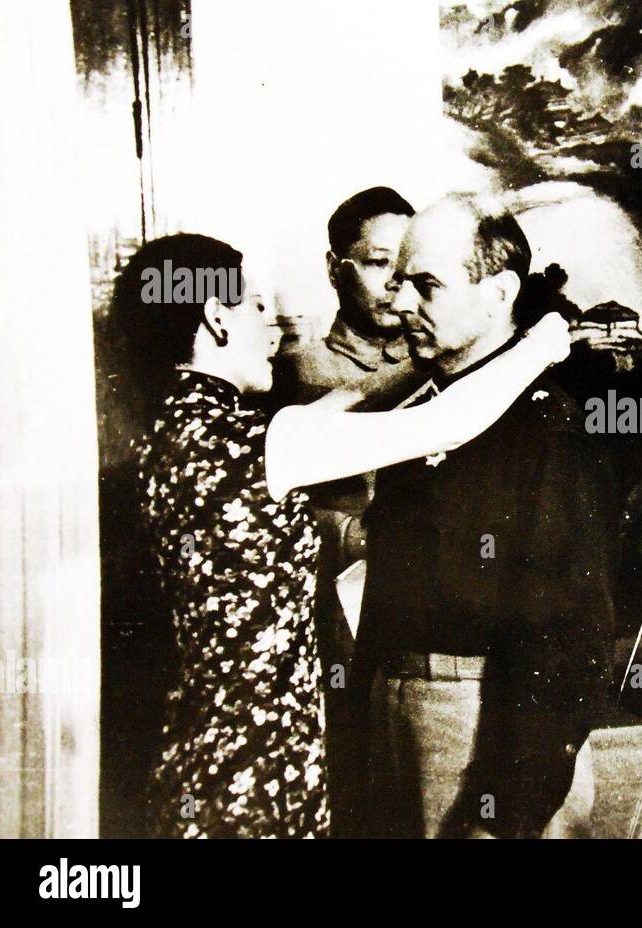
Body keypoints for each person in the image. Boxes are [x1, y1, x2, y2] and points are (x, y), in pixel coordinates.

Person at [115, 232, 570, 837]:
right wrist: (541, 340)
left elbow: (351, 399)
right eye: (254, 306)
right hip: (255, 766)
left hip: (201, 752)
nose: (272, 326)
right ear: (214, 318)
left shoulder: (178, 432)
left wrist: (436, 349)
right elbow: (446, 424)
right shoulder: (258, 444)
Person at [352, 196, 616, 839]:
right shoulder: (418, 413)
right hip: (399, 722)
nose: (402, 305)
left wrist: (503, 811)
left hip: (483, 737)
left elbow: (566, 638)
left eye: (427, 287)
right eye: (397, 285)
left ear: (498, 292)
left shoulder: (549, 428)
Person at [269, 186, 417, 835]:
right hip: (337, 624)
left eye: (408, 264)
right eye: (380, 261)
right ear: (336, 268)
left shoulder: (443, 363)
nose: (398, 282)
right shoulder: (301, 371)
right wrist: (356, 534)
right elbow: (277, 509)